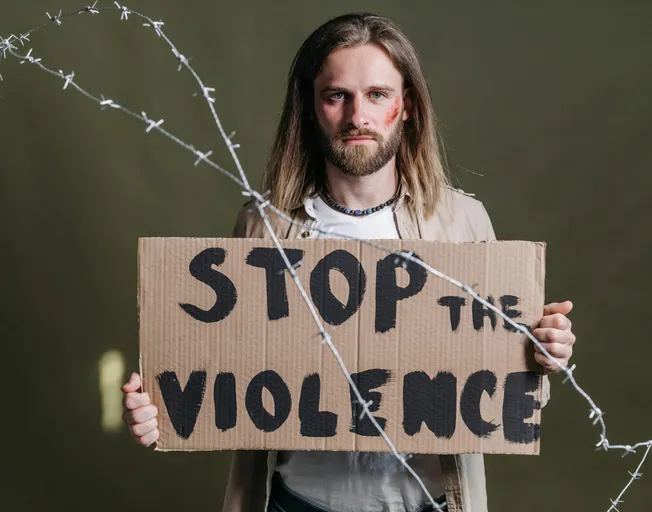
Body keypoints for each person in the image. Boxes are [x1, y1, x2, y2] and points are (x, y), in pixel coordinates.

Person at [121, 12, 576, 512]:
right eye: (337, 95)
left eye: (377, 94)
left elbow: (501, 389)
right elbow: (224, 367)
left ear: (407, 108)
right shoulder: (263, 226)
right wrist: (160, 408)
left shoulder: (464, 223)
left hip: (425, 503)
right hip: (297, 502)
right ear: (312, 108)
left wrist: (540, 360)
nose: (357, 115)